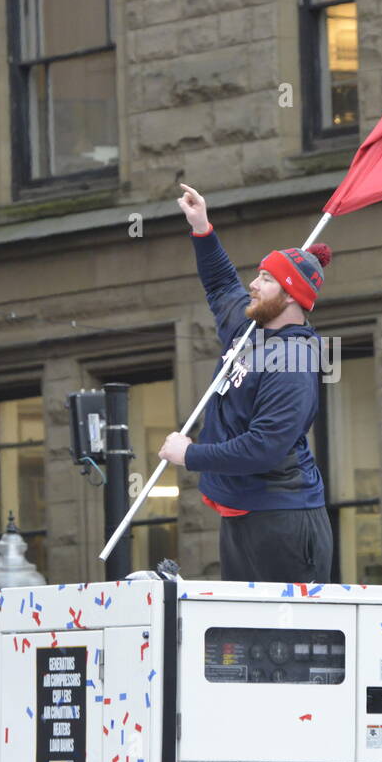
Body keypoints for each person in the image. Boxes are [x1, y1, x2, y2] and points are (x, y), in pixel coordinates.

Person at [158, 183, 334, 583]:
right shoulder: (248, 327)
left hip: (284, 519)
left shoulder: (294, 360)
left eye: (267, 279)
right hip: (242, 512)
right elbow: (221, 284)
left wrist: (192, 455)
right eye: (258, 275)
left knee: (283, 641)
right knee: (243, 636)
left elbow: (264, 447)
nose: (253, 284)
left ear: (291, 298)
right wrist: (202, 228)